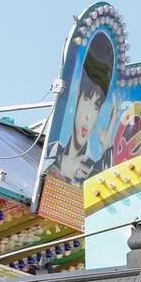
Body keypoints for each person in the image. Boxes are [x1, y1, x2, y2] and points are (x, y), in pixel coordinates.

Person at [51, 30, 116, 184]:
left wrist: (107, 147)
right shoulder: (50, 151)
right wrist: (61, 166)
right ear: (77, 96)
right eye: (87, 99)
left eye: (96, 106)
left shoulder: (96, 170)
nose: (88, 116)